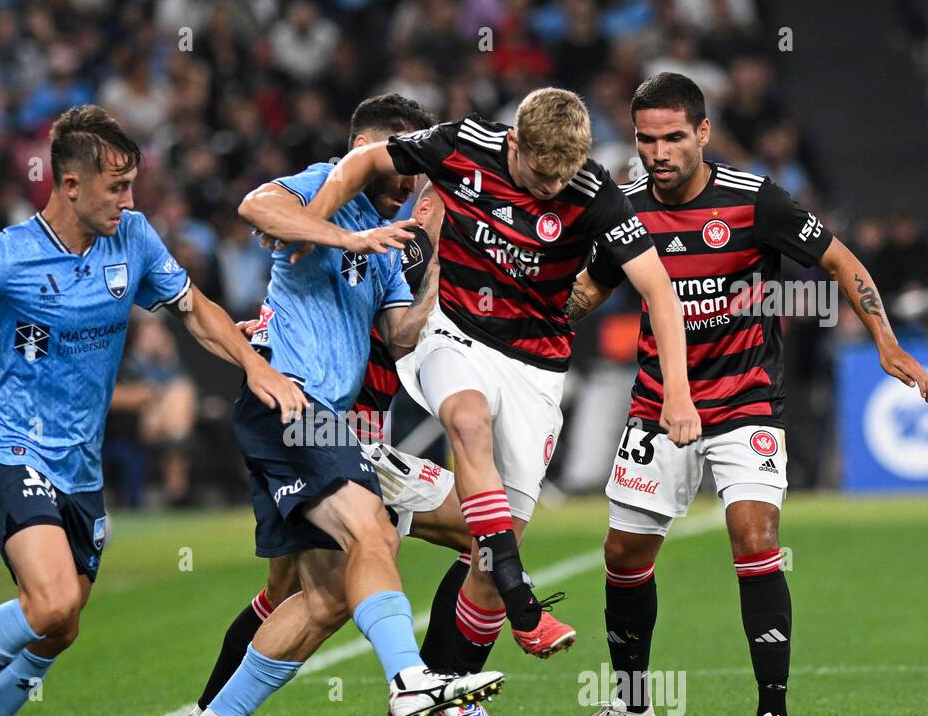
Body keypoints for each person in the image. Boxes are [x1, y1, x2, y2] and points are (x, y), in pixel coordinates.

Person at [0, 105, 306, 716]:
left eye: (132, 184)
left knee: (62, 624)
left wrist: (256, 366)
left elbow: (194, 309)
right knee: (50, 601)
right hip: (8, 446)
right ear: (70, 184)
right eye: (116, 186)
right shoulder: (10, 255)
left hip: (79, 467)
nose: (129, 200)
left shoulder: (133, 239)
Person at [555, 73, 928, 716]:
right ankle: (633, 704)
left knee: (755, 539)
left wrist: (886, 342)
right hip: (656, 408)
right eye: (647, 139)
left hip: (744, 401)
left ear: (702, 133)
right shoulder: (626, 210)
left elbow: (842, 260)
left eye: (674, 137)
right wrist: (542, 307)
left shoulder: (753, 200)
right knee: (622, 554)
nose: (659, 151)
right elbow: (589, 292)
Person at [285, 88, 700, 674]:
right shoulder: (464, 144)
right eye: (540, 174)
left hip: (537, 366)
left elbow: (658, 288)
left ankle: (439, 708)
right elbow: (365, 161)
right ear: (515, 143)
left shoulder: (593, 189)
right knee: (467, 419)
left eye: (563, 177)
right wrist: (314, 224)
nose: (551, 189)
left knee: (484, 558)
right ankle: (523, 601)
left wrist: (677, 394)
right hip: (453, 331)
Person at [171, 94, 505, 716]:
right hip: (294, 401)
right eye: (395, 151)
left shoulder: (386, 243)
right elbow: (258, 209)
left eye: (415, 157)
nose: (408, 168)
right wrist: (347, 237)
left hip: (324, 418)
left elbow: (400, 335)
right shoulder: (324, 187)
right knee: (373, 535)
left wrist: (435, 253)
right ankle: (412, 679)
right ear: (363, 146)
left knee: (322, 598)